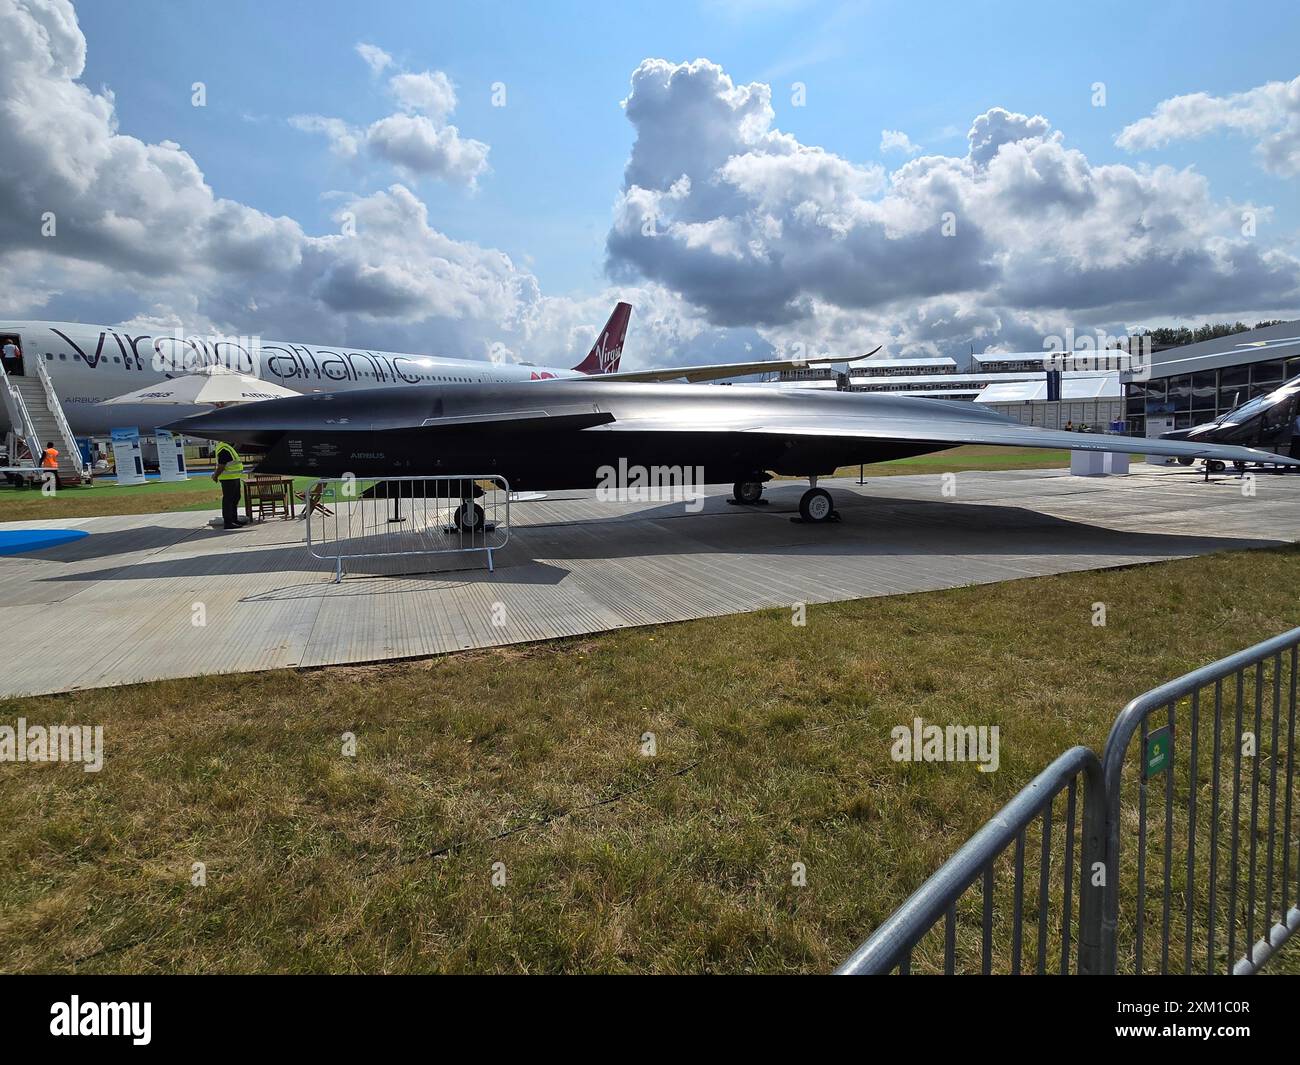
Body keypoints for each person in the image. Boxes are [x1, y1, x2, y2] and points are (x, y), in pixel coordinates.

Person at [211, 439, 247, 529]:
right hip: (228, 479)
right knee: (228, 500)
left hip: (234, 477)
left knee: (235, 498)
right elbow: (221, 466)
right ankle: (228, 522)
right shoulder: (224, 449)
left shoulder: (228, 447)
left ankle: (234, 519)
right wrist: (215, 476)